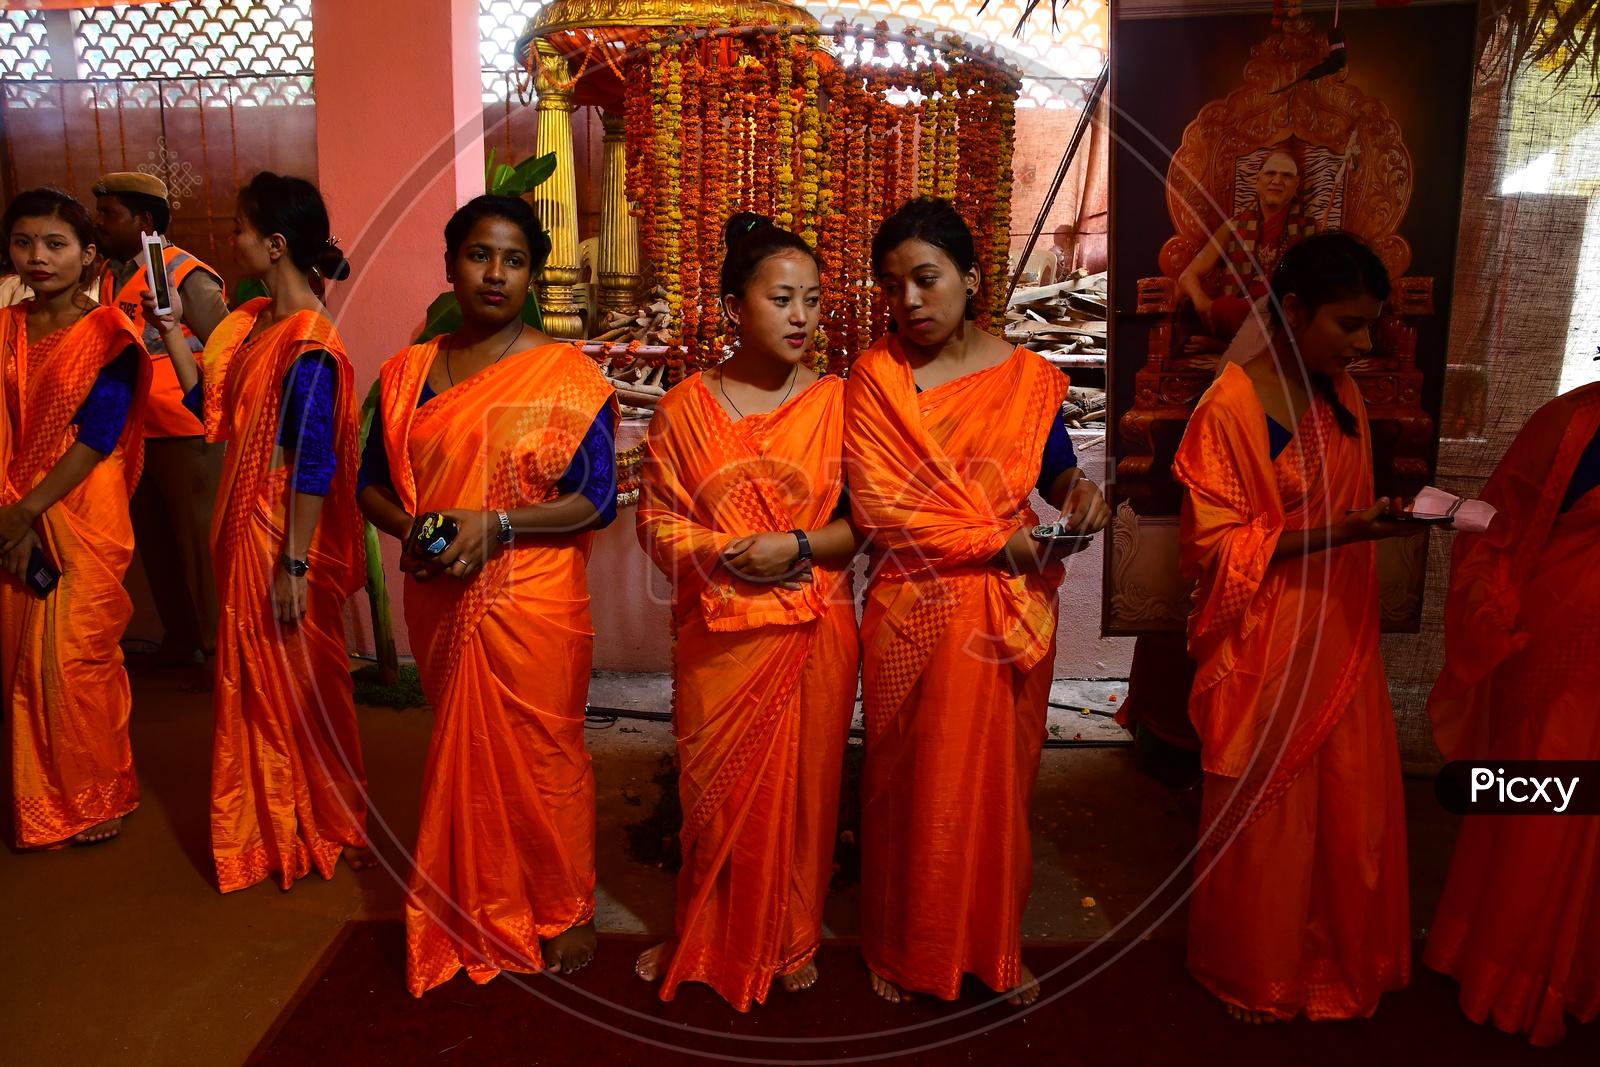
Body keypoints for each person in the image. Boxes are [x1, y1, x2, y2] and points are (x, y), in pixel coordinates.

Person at [844, 197, 1111, 1006]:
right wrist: (1001, 544)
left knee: (998, 787)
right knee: (908, 783)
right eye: (893, 286)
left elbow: (1052, 467)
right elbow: (880, 509)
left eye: (926, 279)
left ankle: (993, 945)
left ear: (971, 277)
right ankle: (900, 944)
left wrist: (1080, 492)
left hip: (1008, 611)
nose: (909, 300)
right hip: (913, 608)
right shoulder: (877, 379)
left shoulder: (1026, 379)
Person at [357, 194, 618, 997]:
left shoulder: (568, 376)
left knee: (544, 755)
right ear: (450, 266)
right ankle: (478, 892)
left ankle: (564, 904)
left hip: (532, 598)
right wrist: (413, 530)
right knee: (463, 749)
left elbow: (596, 498)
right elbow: (371, 484)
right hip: (441, 591)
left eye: (513, 259)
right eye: (479, 255)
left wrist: (498, 524)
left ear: (532, 274)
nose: (495, 273)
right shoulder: (406, 374)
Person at [1173, 232, 1417, 1024]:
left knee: (1349, 801)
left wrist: (1369, 520)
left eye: (1370, 324)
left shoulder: (1342, 393)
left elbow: (1342, 499)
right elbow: (1215, 547)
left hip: (1341, 626)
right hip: (1268, 632)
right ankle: (1256, 965)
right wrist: (1344, 530)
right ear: (1294, 309)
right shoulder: (1231, 406)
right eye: (1348, 323)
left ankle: (1337, 955)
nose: (1363, 344)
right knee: (1269, 810)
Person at [633, 213, 863, 1010]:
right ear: (735, 306)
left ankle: (792, 932)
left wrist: (793, 546)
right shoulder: (684, 408)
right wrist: (731, 551)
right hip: (720, 633)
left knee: (806, 788)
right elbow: (655, 523)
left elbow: (868, 521)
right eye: (782, 298)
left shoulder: (840, 404)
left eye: (813, 300)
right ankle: (707, 925)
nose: (802, 317)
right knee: (715, 790)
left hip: (814, 627)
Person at [145, 171, 370, 893]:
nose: (231, 239)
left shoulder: (307, 342)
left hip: (280, 532)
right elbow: (207, 403)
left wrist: (294, 564)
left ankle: (323, 815)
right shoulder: (253, 321)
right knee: (256, 680)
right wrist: (170, 329)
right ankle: (268, 817)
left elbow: (314, 458)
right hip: (247, 526)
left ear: (274, 244)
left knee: (302, 682)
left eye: (240, 228)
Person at [1423, 381, 1600, 1046]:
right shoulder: (1571, 422)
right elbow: (1501, 528)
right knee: (1544, 805)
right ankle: (1509, 969)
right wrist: (1491, 611)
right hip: (1558, 645)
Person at [2, 187, 150, 848]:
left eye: (55, 244)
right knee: (22, 664)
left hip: (81, 508)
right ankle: (40, 800)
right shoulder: (4, 329)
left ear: (88, 254)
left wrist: (26, 511)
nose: (38, 256)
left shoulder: (108, 335)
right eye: (24, 242)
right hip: (9, 509)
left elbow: (98, 434)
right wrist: (10, 513)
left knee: (75, 658)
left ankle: (96, 792)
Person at [94, 171, 228, 667]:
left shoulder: (186, 273)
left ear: (144, 220)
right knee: (155, 545)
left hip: (186, 432)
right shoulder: (109, 273)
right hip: (133, 433)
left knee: (199, 547)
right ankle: (182, 642)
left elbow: (224, 351)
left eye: (109, 213)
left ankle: (218, 652)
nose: (99, 222)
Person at [1178, 146, 1318, 341]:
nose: (1277, 181)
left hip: (1282, 315)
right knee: (1225, 309)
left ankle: (1225, 346)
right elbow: (1187, 275)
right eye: (1270, 173)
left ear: (1296, 184)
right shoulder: (1234, 227)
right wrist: (1201, 301)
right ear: (1257, 180)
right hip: (1240, 314)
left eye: (1286, 175)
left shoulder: (1311, 228)